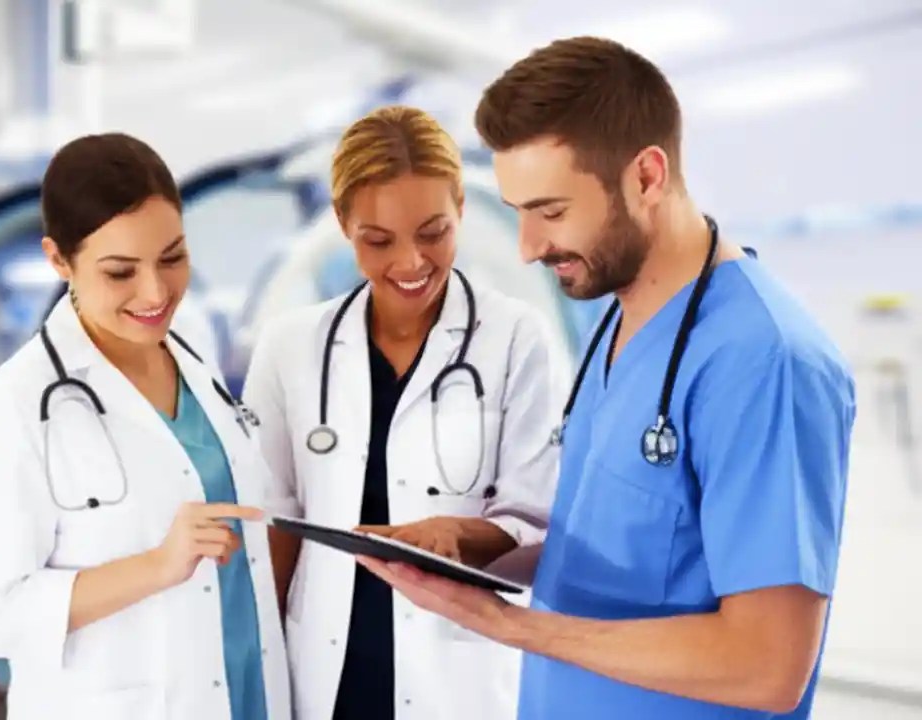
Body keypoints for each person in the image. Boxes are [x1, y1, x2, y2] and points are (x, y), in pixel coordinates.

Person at [358, 36, 857, 720]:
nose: (530, 247)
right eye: (519, 214)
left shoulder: (763, 360)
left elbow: (768, 667)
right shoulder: (614, 319)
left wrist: (511, 626)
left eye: (551, 212)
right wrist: (471, 548)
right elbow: (621, 552)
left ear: (646, 178)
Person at [0, 132, 291, 720]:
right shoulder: (9, 404)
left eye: (172, 258)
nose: (155, 292)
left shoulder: (194, 355)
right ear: (59, 259)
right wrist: (156, 566)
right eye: (120, 272)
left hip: (250, 694)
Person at [241, 105, 564, 719]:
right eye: (379, 240)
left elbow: (537, 520)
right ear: (342, 224)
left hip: (454, 676)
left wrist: (460, 533)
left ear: (462, 208)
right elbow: (274, 529)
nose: (411, 263)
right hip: (322, 676)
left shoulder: (518, 338)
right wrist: (263, 682)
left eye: (433, 231)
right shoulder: (290, 347)